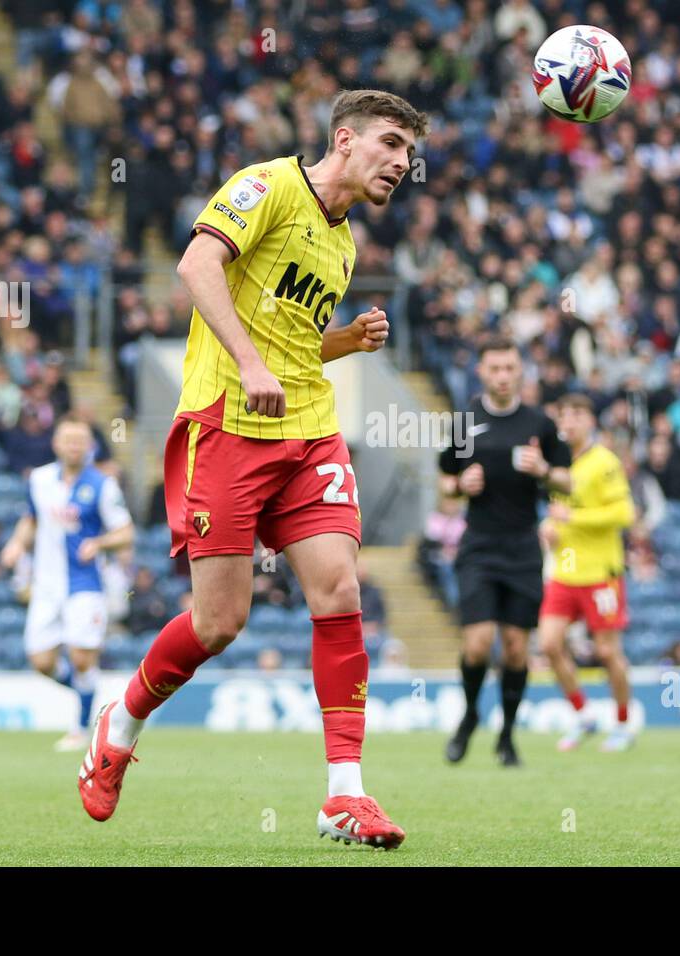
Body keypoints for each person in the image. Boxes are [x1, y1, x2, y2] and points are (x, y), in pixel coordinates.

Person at [77, 90, 428, 849]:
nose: (403, 163)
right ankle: (122, 721)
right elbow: (196, 263)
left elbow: (294, 348)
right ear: (345, 139)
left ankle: (345, 794)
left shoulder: (343, 246)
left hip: (309, 432)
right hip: (229, 427)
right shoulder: (266, 186)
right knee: (219, 623)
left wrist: (346, 342)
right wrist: (245, 362)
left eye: (409, 154)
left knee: (338, 589)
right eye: (392, 144)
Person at [438, 338, 572, 767]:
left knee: (516, 648)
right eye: (494, 367)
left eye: (509, 368)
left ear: (520, 372)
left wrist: (545, 471)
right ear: (481, 371)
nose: (502, 375)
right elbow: (444, 481)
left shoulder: (540, 424)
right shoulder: (465, 422)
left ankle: (508, 735)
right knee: (477, 644)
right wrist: (461, 486)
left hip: (522, 546)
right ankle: (470, 715)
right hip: (478, 545)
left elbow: (568, 482)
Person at [2, 416, 134, 752]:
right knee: (42, 661)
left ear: (89, 446)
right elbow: (31, 519)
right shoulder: (40, 480)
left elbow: (126, 532)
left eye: (80, 440)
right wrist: (17, 544)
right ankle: (87, 693)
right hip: (46, 585)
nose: (74, 446)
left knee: (80, 657)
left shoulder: (103, 485)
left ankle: (80, 727)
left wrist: (100, 544)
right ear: (56, 443)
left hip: (85, 585)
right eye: (68, 439)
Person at [537, 394, 637, 753]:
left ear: (590, 421)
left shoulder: (604, 462)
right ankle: (583, 714)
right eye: (563, 414)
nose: (569, 422)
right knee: (549, 643)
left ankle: (624, 722)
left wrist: (573, 519)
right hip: (565, 570)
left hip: (600, 573)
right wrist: (551, 527)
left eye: (577, 414)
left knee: (608, 653)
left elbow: (625, 513)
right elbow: (558, 512)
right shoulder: (557, 464)